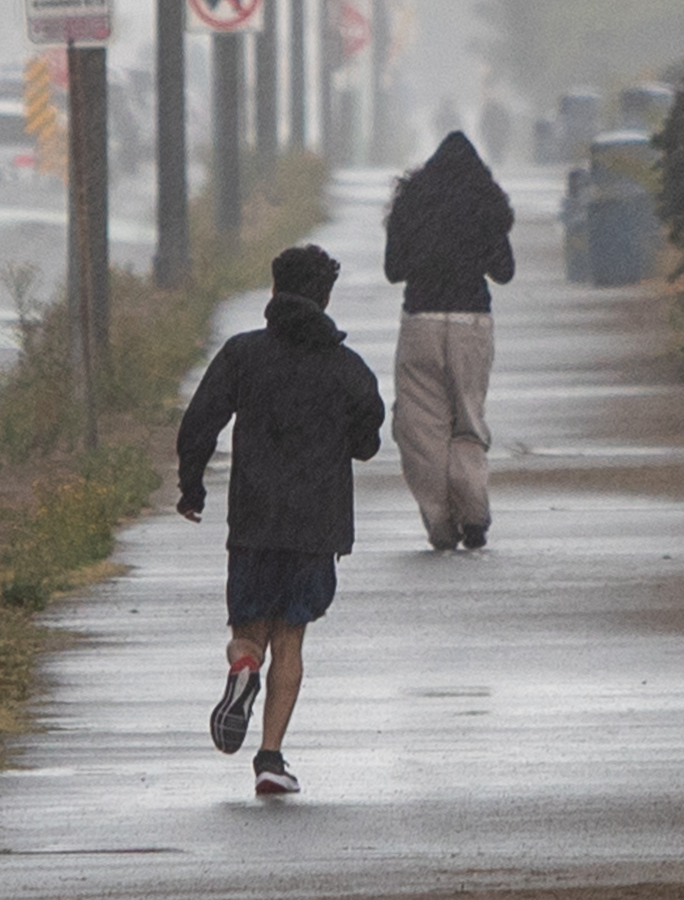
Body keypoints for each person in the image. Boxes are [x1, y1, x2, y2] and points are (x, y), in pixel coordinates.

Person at [176, 245, 384, 796]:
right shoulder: (347, 368)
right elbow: (368, 441)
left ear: (274, 290)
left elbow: (201, 421)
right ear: (326, 297)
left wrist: (191, 486)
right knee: (291, 639)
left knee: (249, 632)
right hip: (317, 526)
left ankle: (243, 669)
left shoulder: (244, 355)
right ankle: (270, 758)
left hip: (255, 519)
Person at [384, 131, 514, 551]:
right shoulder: (484, 204)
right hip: (471, 321)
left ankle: (441, 524)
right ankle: (473, 514)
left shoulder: (412, 202)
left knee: (422, 428)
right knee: (467, 420)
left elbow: (393, 269)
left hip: (420, 319)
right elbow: (504, 271)